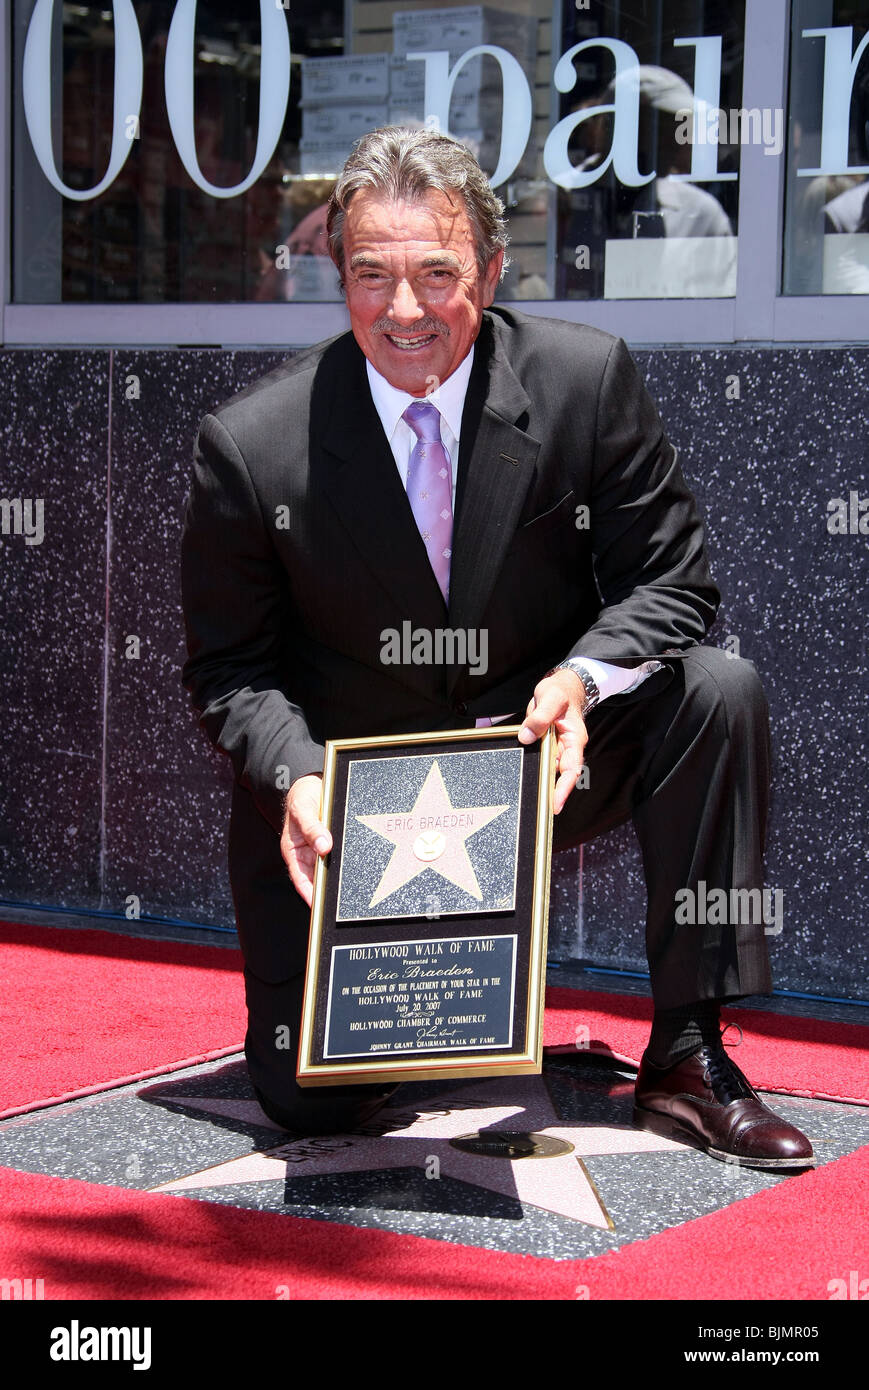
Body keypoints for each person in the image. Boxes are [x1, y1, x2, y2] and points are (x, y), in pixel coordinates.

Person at [181, 126, 813, 1170]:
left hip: (541, 760)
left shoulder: (583, 378)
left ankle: (689, 1050)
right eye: (370, 274)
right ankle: (427, 1011)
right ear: (336, 273)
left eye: (437, 273)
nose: (404, 310)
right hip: (354, 813)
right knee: (307, 1101)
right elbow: (230, 671)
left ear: (490, 267)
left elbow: (674, 582)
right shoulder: (251, 445)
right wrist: (293, 778)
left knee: (715, 688)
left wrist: (575, 678)